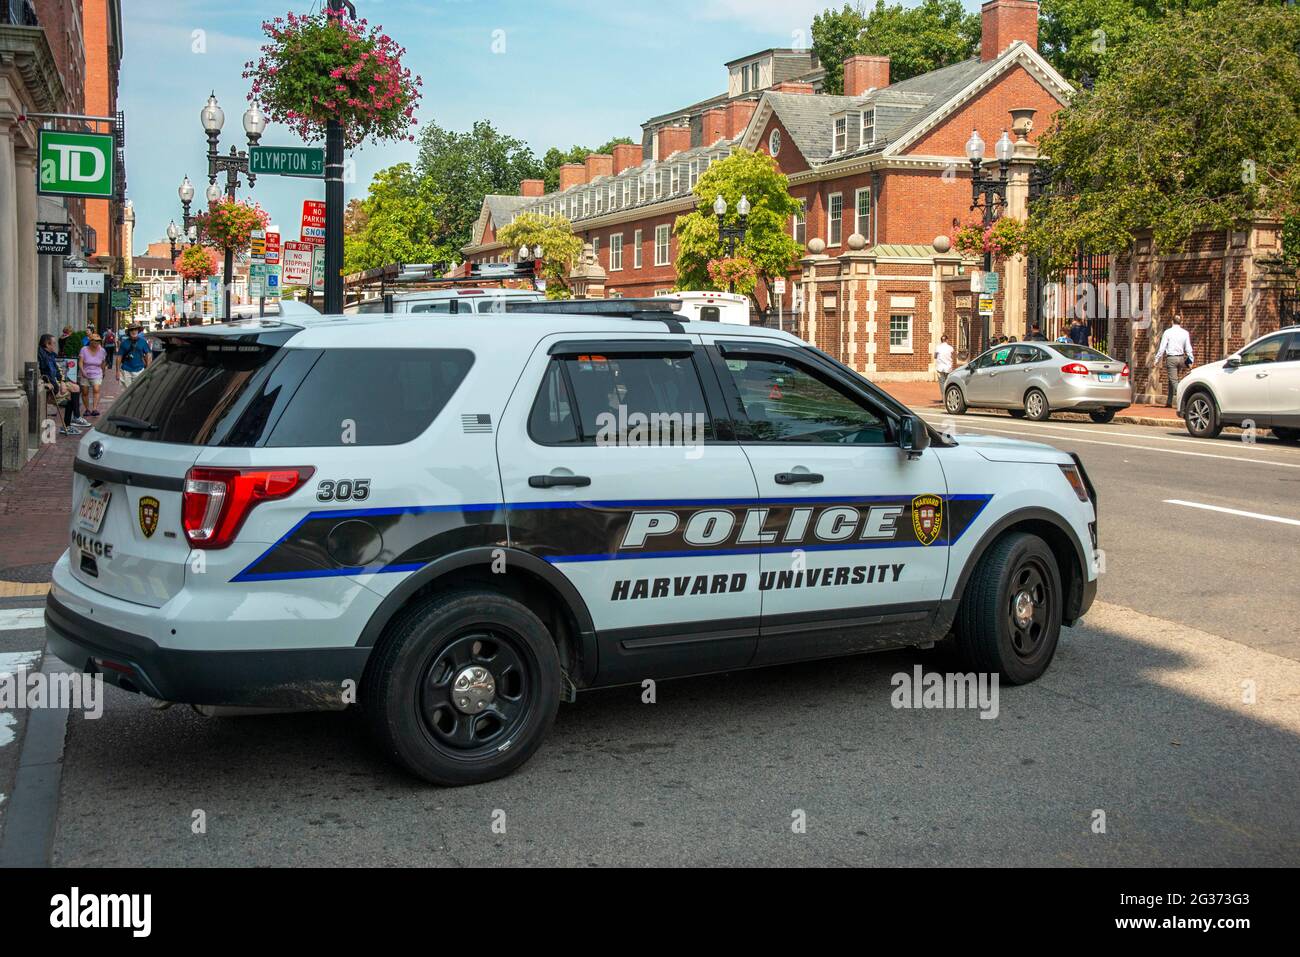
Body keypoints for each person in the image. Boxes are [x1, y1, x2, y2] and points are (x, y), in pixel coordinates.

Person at [39, 334, 89, 435]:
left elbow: (58, 370)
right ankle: (68, 424)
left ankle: (75, 417)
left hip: (57, 383)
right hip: (51, 388)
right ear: (47, 344)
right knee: (71, 397)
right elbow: (38, 371)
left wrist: (62, 382)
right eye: (53, 343)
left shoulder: (51, 355)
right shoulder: (40, 355)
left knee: (76, 387)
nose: (55, 346)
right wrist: (44, 383)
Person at [1153, 314, 1194, 409]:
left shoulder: (1168, 332)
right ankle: (1169, 401)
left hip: (1171, 358)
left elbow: (1162, 347)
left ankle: (1186, 399)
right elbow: (1188, 348)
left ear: (1172, 322)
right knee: (1171, 380)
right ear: (1181, 322)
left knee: (1174, 381)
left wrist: (1156, 359)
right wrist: (1191, 359)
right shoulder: (1185, 333)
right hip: (1181, 359)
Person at [79, 331, 108, 416]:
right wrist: (82, 371)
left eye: (98, 341)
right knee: (84, 392)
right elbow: (80, 362)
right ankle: (87, 409)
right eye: (95, 341)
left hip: (97, 372)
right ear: (90, 341)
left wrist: (103, 372)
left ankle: (94, 409)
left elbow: (103, 362)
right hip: (85, 372)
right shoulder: (84, 349)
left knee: (96, 389)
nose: (96, 342)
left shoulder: (102, 351)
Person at [117, 323, 151, 388]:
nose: (134, 331)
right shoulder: (124, 343)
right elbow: (119, 357)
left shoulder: (143, 342)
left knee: (138, 391)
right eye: (131, 330)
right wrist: (117, 371)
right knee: (127, 392)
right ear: (129, 332)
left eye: (135, 329)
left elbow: (148, 354)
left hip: (139, 370)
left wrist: (148, 369)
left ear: (138, 331)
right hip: (126, 371)